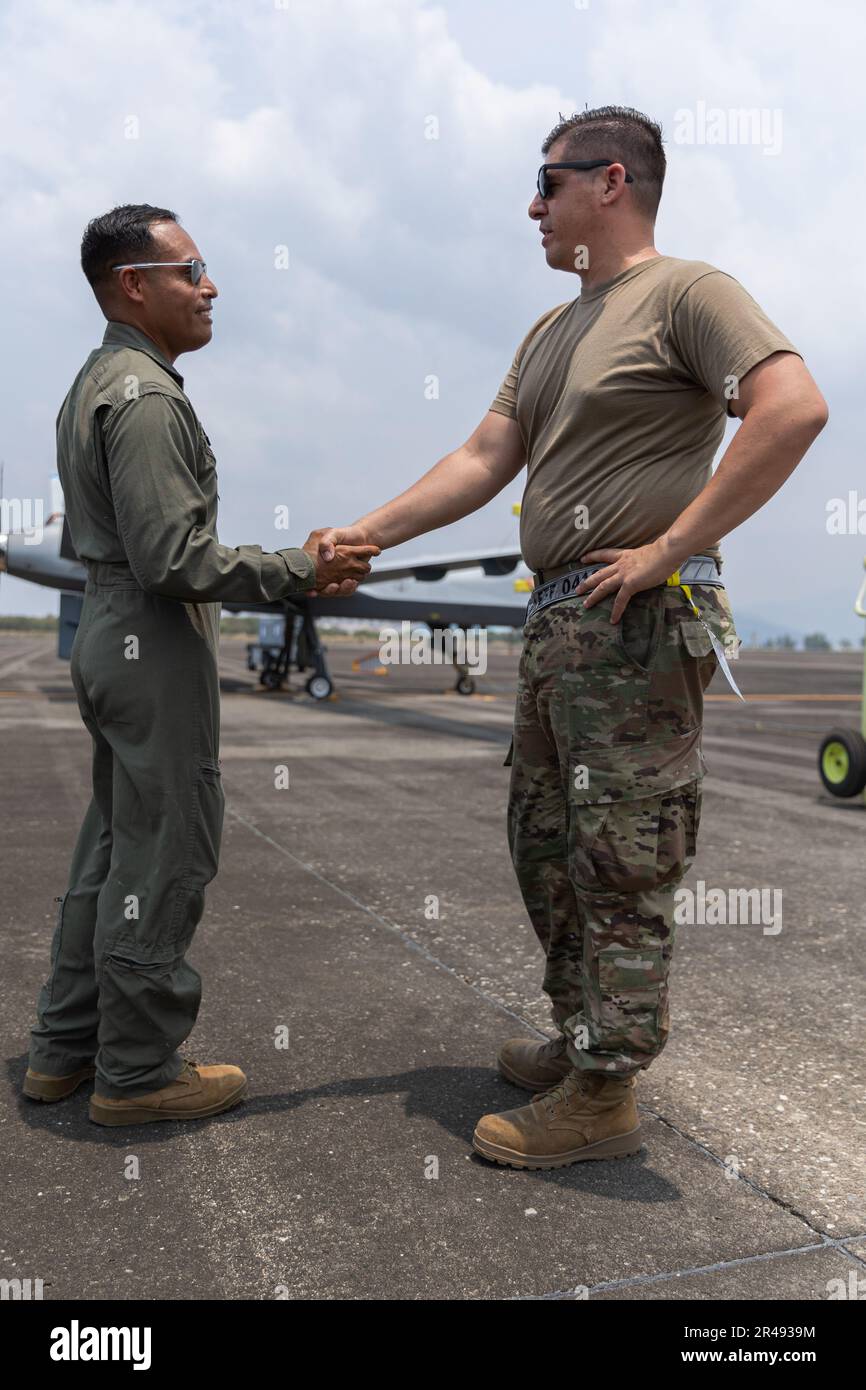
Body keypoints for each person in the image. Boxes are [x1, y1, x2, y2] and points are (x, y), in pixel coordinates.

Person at [320, 107, 828, 1169]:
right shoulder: (551, 332)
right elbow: (481, 457)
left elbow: (789, 406)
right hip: (559, 621)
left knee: (620, 852)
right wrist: (362, 534)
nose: (531, 206)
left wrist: (669, 547)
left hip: (634, 622)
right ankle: (579, 1032)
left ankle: (605, 1092)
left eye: (544, 185)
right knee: (543, 842)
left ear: (608, 182)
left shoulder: (687, 293)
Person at [24, 204, 377, 1126]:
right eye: (192, 269)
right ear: (135, 285)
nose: (210, 285)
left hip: (110, 630)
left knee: (111, 844)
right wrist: (306, 568)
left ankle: (64, 1050)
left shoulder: (93, 382)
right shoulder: (144, 398)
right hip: (151, 636)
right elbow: (173, 559)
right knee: (167, 846)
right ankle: (137, 1071)